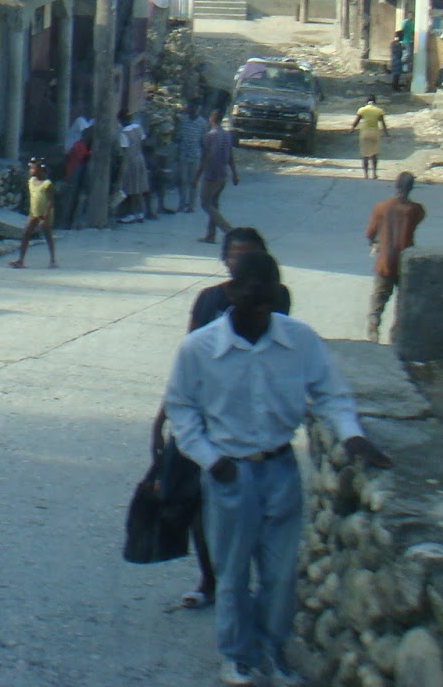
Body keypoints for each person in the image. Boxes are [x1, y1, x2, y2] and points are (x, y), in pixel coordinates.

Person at [165, 250, 392, 687]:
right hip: (229, 473)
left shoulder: (300, 341)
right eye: (251, 299)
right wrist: (211, 460)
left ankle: (274, 651)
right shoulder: (199, 349)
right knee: (232, 573)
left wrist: (350, 434)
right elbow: (182, 409)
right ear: (232, 295)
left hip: (279, 469)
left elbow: (331, 395)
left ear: (277, 294)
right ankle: (237, 657)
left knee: (279, 573)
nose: (260, 308)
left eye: (267, 298)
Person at [155, 228, 289, 613]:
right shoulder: (208, 300)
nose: (238, 264)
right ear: (224, 260)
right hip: (204, 414)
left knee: (251, 504)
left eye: (248, 257)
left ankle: (244, 580)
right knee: (200, 500)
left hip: (249, 420)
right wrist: (165, 415)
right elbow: (189, 358)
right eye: (233, 256)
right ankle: (210, 579)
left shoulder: (275, 299)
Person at [365, 172, 426, 343]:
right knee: (403, 298)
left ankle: (373, 325)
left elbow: (369, 233)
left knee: (379, 296)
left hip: (385, 261)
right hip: (405, 262)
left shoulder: (381, 207)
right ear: (411, 188)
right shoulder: (416, 210)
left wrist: (374, 242)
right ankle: (397, 333)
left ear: (395, 186)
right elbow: (418, 219)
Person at [197, 112, 239, 244]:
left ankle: (228, 230)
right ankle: (210, 235)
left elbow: (206, 157)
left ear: (211, 119)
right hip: (222, 174)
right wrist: (234, 174)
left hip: (211, 174)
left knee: (205, 204)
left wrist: (196, 176)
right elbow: (230, 156)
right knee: (214, 205)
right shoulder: (227, 136)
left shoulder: (209, 136)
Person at [9, 157, 57, 269]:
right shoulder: (31, 181)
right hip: (33, 212)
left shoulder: (47, 184)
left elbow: (50, 201)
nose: (30, 170)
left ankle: (52, 260)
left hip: (44, 214)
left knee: (48, 236)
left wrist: (45, 216)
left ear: (40, 170)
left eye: (32, 168)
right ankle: (20, 260)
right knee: (26, 234)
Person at [118, 111, 150, 223]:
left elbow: (125, 151)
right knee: (139, 188)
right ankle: (141, 213)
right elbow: (143, 143)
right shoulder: (138, 128)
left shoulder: (123, 133)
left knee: (130, 189)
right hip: (140, 158)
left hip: (130, 162)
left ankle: (131, 214)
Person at [175, 100, 206, 213]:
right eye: (190, 108)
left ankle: (191, 205)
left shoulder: (202, 123)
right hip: (183, 155)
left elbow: (203, 141)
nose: (192, 110)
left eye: (195, 108)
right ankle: (182, 204)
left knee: (193, 181)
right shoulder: (183, 121)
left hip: (195, 156)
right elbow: (178, 137)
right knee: (182, 181)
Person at [352, 95, 390, 180]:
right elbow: (383, 124)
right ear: (375, 102)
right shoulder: (379, 110)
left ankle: (366, 175)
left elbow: (356, 121)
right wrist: (387, 135)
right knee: (374, 154)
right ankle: (374, 173)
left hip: (364, 132)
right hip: (375, 133)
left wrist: (351, 129)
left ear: (366, 102)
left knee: (364, 154)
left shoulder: (362, 110)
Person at [62, 130, 91, 229]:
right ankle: (71, 223)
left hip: (71, 173)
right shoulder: (81, 146)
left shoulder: (76, 144)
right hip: (75, 174)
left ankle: (68, 223)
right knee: (75, 199)